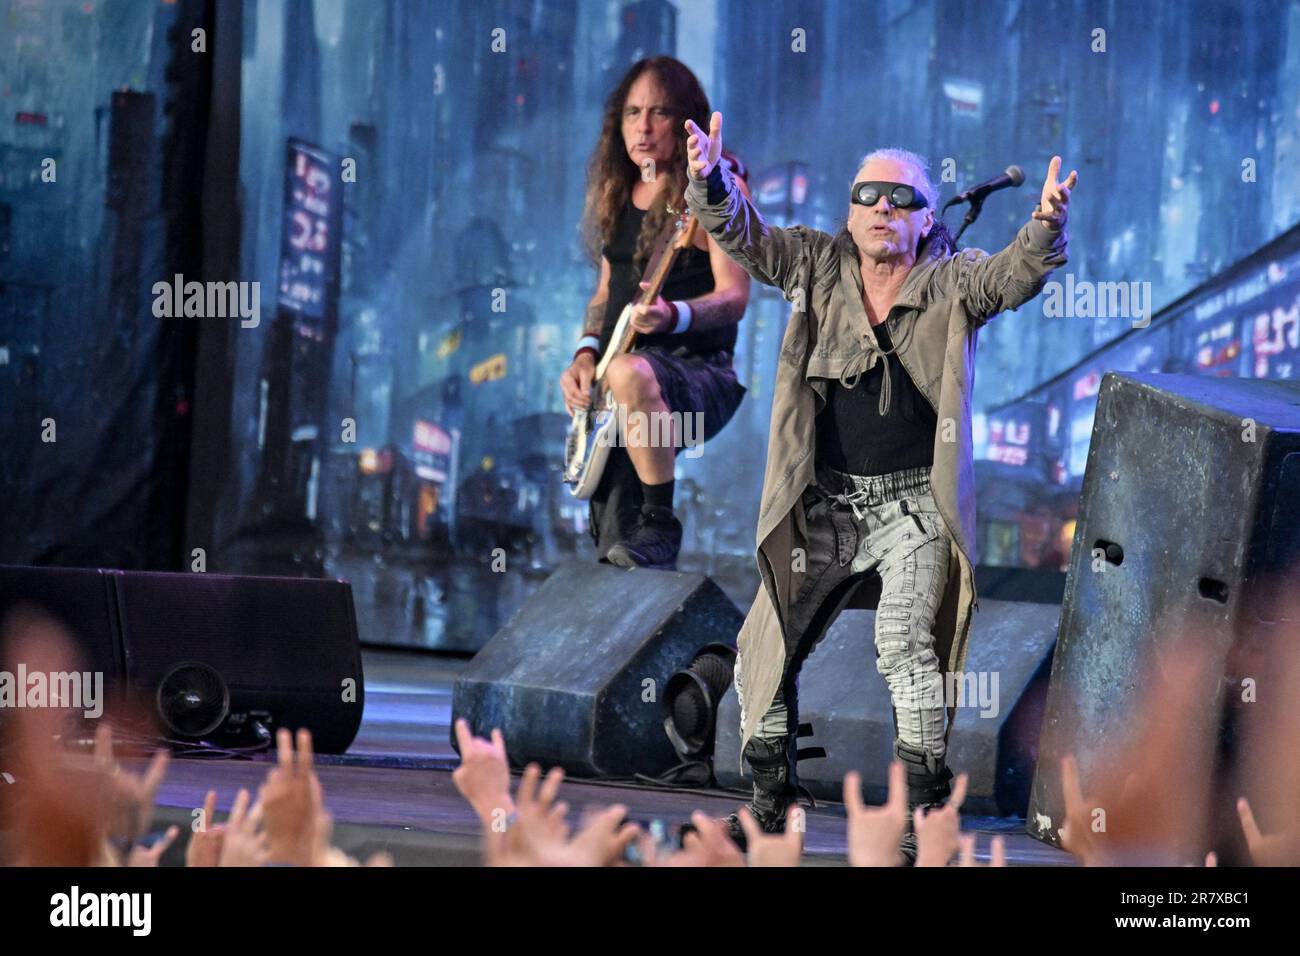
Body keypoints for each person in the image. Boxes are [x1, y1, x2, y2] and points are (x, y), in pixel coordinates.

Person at [684, 110, 1075, 862]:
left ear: (929, 220)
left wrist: (1045, 226)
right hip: (825, 504)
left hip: (914, 510)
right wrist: (707, 179)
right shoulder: (815, 264)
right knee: (762, 649)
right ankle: (770, 811)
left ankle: (922, 816)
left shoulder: (953, 282)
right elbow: (744, 234)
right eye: (869, 194)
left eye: (901, 198)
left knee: (904, 644)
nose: (883, 208)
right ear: (850, 209)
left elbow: (1013, 275)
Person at [560, 57, 751, 571]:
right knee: (616, 533)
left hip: (698, 374)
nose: (642, 127)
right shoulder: (618, 194)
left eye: (659, 112)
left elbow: (735, 296)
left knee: (629, 373)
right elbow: (605, 291)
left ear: (686, 121)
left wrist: (674, 317)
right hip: (621, 385)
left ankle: (662, 523)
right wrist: (584, 353)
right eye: (632, 112)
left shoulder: (715, 187)